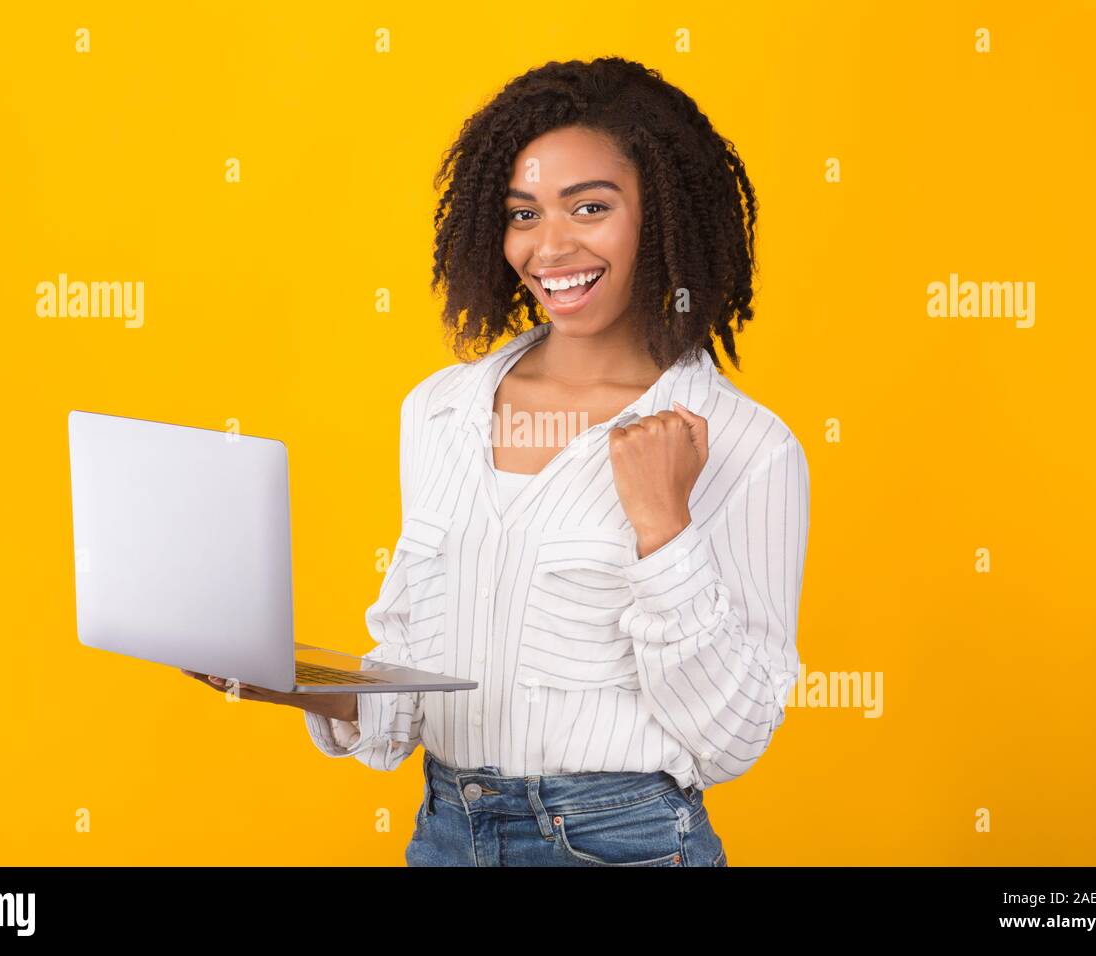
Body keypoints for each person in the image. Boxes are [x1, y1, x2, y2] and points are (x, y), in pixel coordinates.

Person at [185, 56, 810, 867]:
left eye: (590, 207)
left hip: (623, 845)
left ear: (662, 217)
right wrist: (290, 680)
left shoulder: (746, 446)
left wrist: (666, 529)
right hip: (449, 832)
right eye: (523, 214)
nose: (550, 247)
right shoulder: (440, 412)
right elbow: (413, 682)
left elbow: (734, 740)